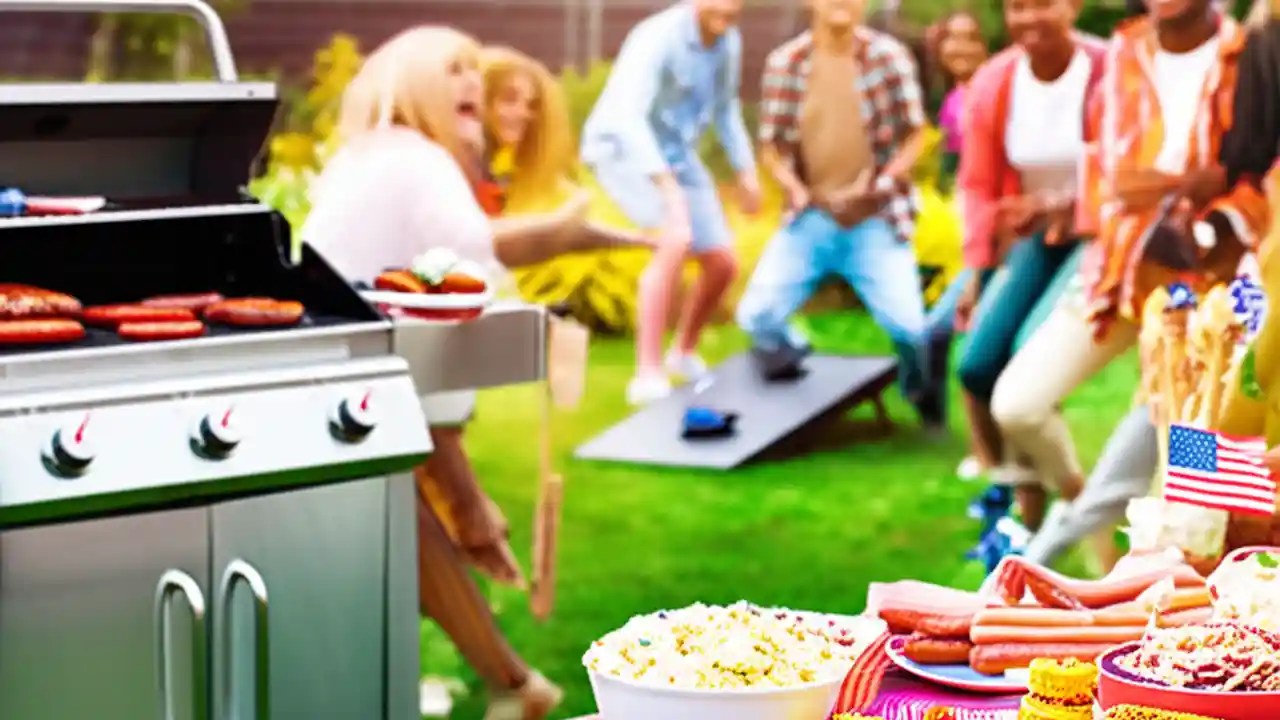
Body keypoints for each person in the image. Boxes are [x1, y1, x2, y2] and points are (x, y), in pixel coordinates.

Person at [301, 26, 654, 719]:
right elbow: (471, 254)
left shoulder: (373, 155)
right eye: (453, 69)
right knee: (391, 523)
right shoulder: (416, 159)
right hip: (355, 379)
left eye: (475, 69)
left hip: (357, 376)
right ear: (409, 84)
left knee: (392, 524)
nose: (473, 83)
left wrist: (462, 491)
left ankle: (503, 682)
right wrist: (561, 233)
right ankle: (508, 682)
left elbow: (440, 291)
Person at [991, 0, 1270, 565]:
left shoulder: (1250, 53)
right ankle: (1090, 509)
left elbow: (1252, 172)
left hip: (1203, 292)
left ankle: (1158, 584)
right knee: (1017, 403)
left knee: (1185, 472)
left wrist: (1204, 217)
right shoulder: (1122, 53)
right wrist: (1164, 189)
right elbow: (1107, 176)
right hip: (1116, 271)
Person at [735, 0, 938, 424]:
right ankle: (792, 354)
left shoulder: (888, 57)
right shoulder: (785, 63)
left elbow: (914, 133)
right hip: (813, 219)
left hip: (875, 220)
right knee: (756, 317)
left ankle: (920, 394)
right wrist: (796, 190)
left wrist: (882, 185)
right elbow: (771, 147)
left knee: (909, 330)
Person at [953, 0, 1106, 516]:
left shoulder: (1106, 70)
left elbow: (1126, 168)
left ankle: (1062, 500)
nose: (1030, 19)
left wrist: (1067, 205)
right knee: (977, 362)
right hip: (1035, 238)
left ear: (1074, 7)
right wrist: (977, 271)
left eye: (1044, 4)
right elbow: (977, 185)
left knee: (1028, 355)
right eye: (1017, 7)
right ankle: (1026, 488)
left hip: (1099, 234)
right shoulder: (996, 82)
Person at [580, 0, 761, 405]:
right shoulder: (656, 38)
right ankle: (646, 375)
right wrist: (665, 186)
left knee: (722, 263)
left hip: (678, 153)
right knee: (675, 239)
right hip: (620, 151)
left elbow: (726, 108)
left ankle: (682, 353)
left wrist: (746, 171)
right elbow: (628, 116)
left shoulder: (728, 41)